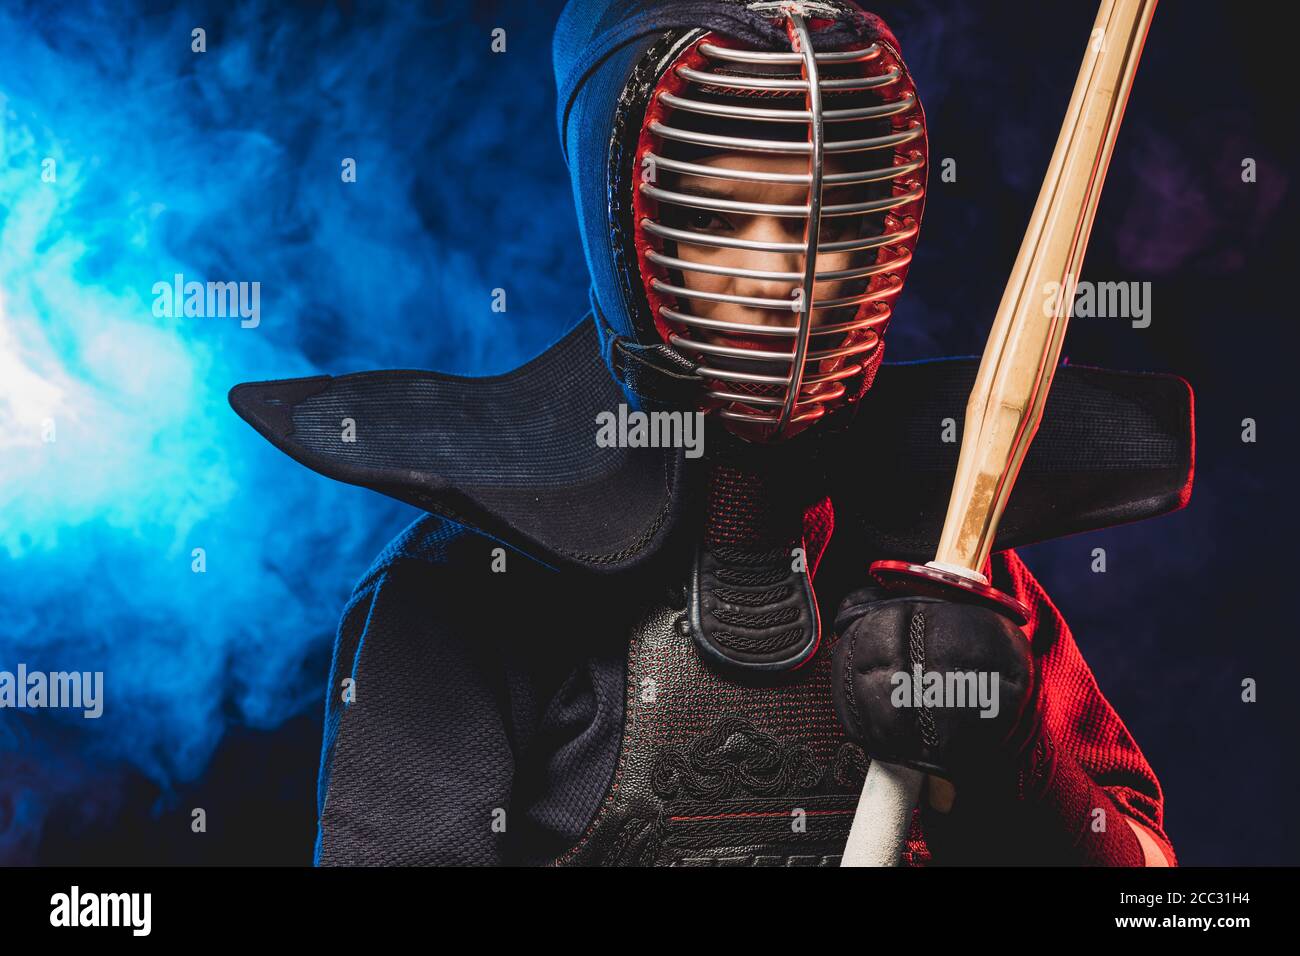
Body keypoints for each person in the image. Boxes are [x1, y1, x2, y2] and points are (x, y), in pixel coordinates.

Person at [230, 0, 1190, 866]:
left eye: (821, 217)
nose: (782, 277)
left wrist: (1017, 761)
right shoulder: (463, 592)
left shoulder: (949, 557)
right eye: (723, 218)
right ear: (628, 227)